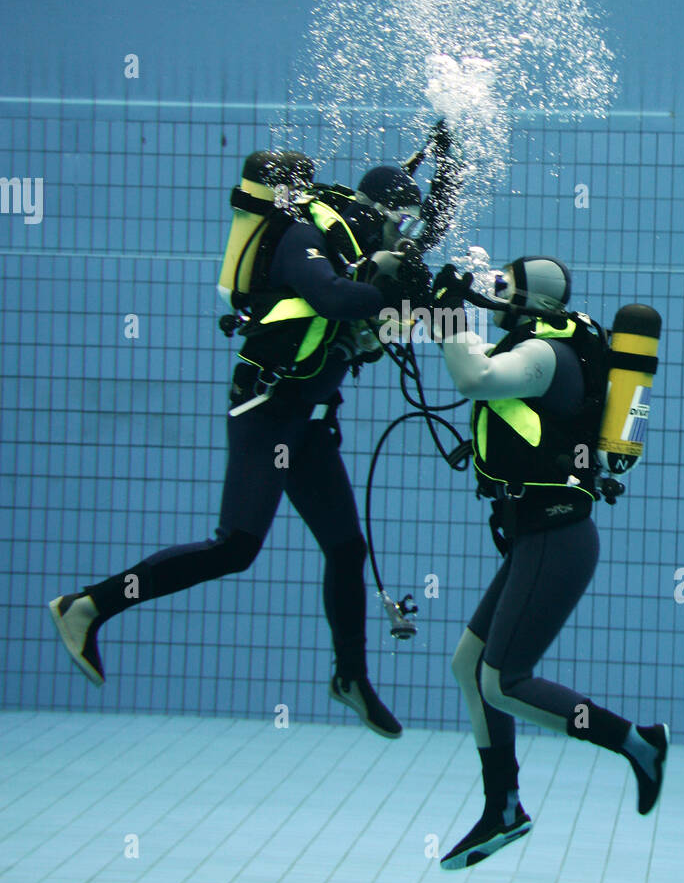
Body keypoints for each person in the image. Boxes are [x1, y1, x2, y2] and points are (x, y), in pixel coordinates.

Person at [49, 129, 460, 738]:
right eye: (401, 223)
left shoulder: (367, 248)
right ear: (378, 214)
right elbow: (330, 296)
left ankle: (350, 677)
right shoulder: (305, 235)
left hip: (309, 420)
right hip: (267, 410)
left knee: (347, 549)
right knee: (235, 548)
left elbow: (433, 230)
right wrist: (394, 297)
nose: (407, 237)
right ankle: (87, 607)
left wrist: (450, 152)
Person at [427, 256, 669, 868]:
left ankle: (638, 745)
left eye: (504, 288)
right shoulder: (541, 347)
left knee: (503, 680)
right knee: (469, 666)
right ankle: (503, 808)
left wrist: (453, 312)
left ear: (532, 299)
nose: (497, 297)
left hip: (556, 537)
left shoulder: (544, 355)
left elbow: (474, 378)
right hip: (539, 535)